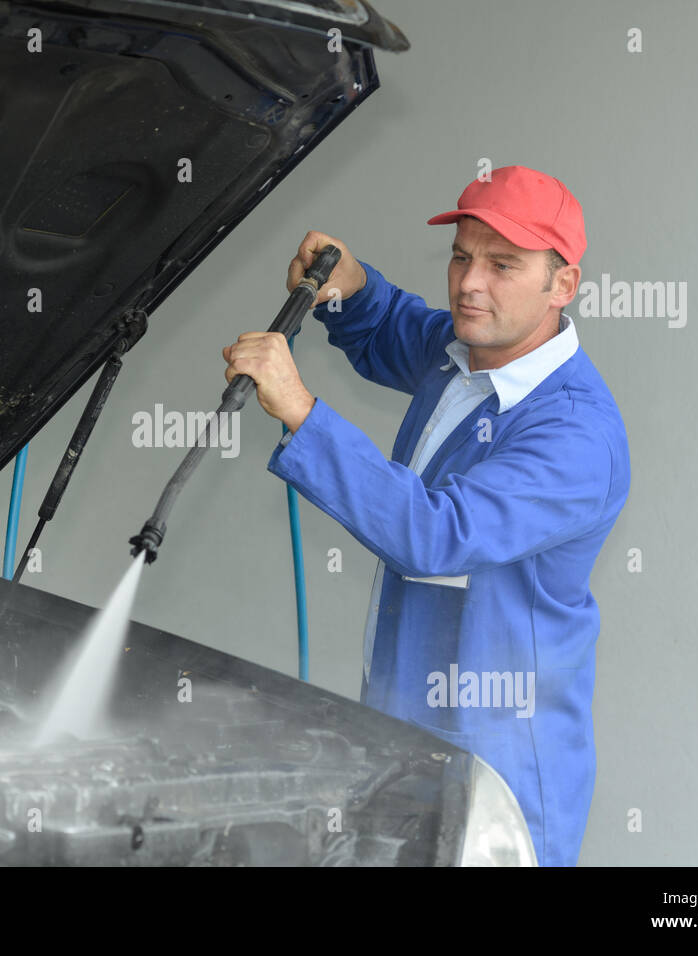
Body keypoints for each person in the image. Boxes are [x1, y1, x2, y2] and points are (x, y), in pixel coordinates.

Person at [221, 165, 630, 866]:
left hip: (497, 770)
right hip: (407, 737)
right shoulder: (467, 354)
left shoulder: (574, 436)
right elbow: (398, 331)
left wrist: (302, 413)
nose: (472, 282)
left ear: (562, 285)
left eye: (504, 265)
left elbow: (438, 536)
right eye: (462, 255)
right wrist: (350, 287)